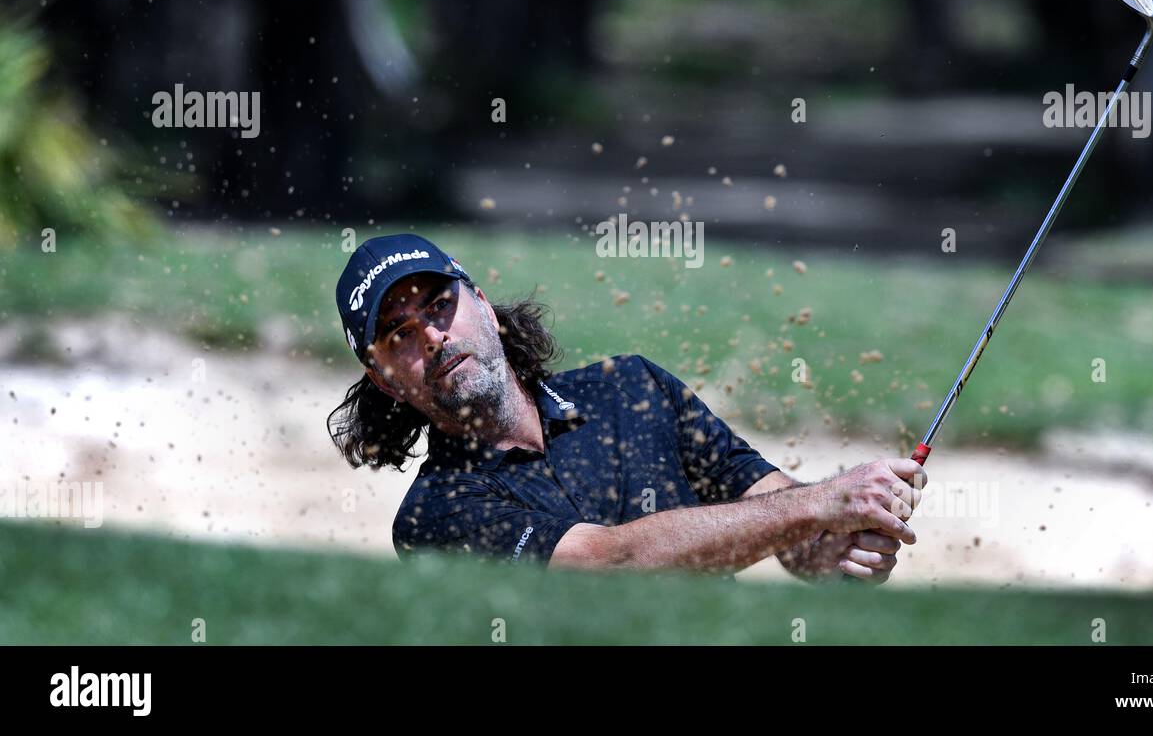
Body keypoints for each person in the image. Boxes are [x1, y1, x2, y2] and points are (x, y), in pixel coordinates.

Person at [329, 234, 925, 582]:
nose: (432, 336)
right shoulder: (434, 516)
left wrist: (829, 543)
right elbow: (610, 562)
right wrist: (820, 502)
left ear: (482, 304)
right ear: (381, 379)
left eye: (438, 305)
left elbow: (769, 506)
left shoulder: (631, 386)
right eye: (399, 334)